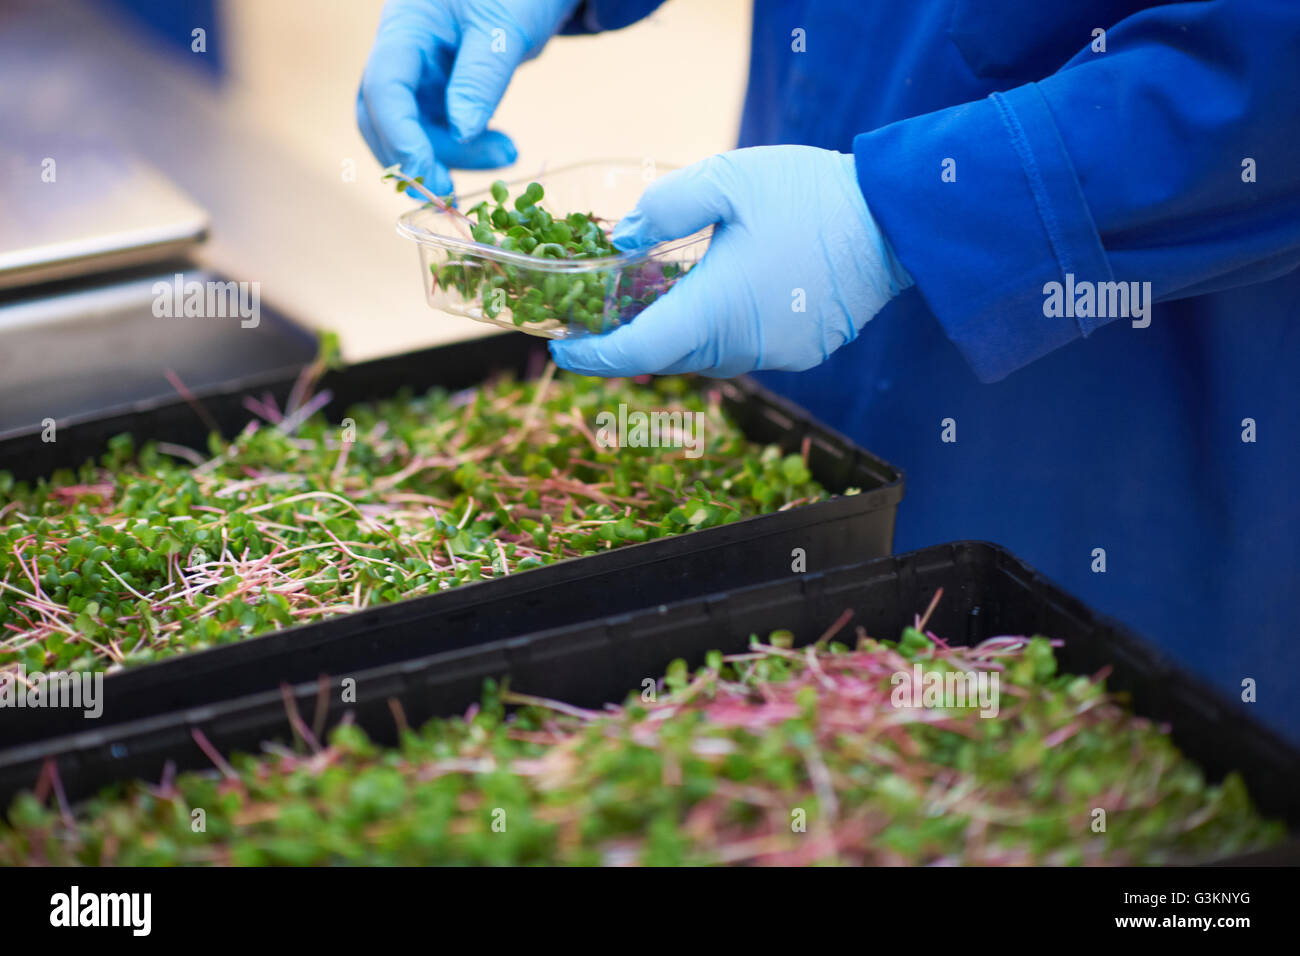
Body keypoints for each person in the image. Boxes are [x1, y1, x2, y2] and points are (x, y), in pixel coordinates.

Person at [358, 0, 1300, 742]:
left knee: (1043, 734)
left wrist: (896, 217)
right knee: (779, 712)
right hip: (804, 230)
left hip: (1128, 390)